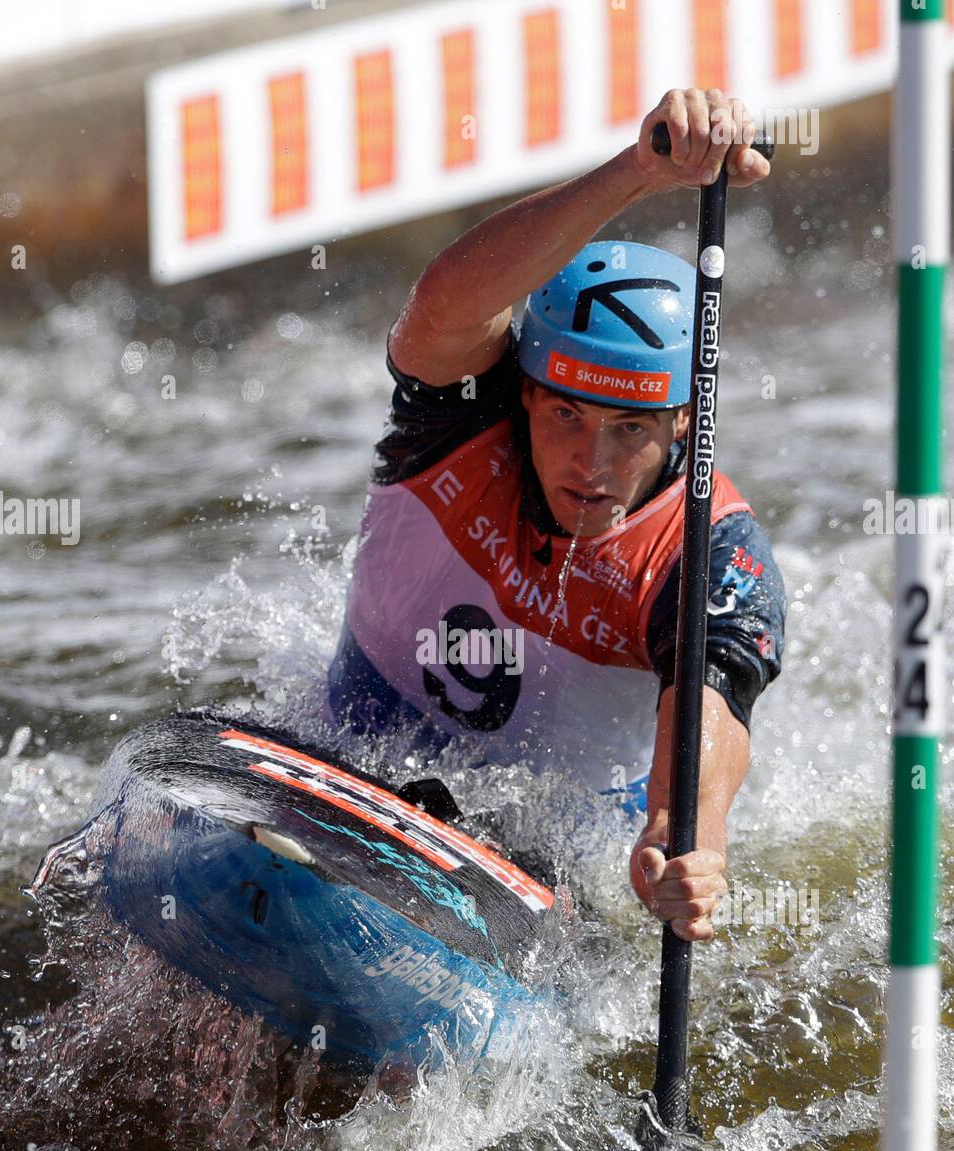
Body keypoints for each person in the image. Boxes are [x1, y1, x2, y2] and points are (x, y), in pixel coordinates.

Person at [327, 89, 786, 944]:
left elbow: (709, 714)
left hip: (545, 866)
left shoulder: (710, 556)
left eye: (630, 430)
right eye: (566, 417)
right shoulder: (456, 421)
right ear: (524, 393)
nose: (592, 463)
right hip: (348, 758)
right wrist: (638, 172)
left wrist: (683, 840)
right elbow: (445, 304)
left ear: (683, 423)